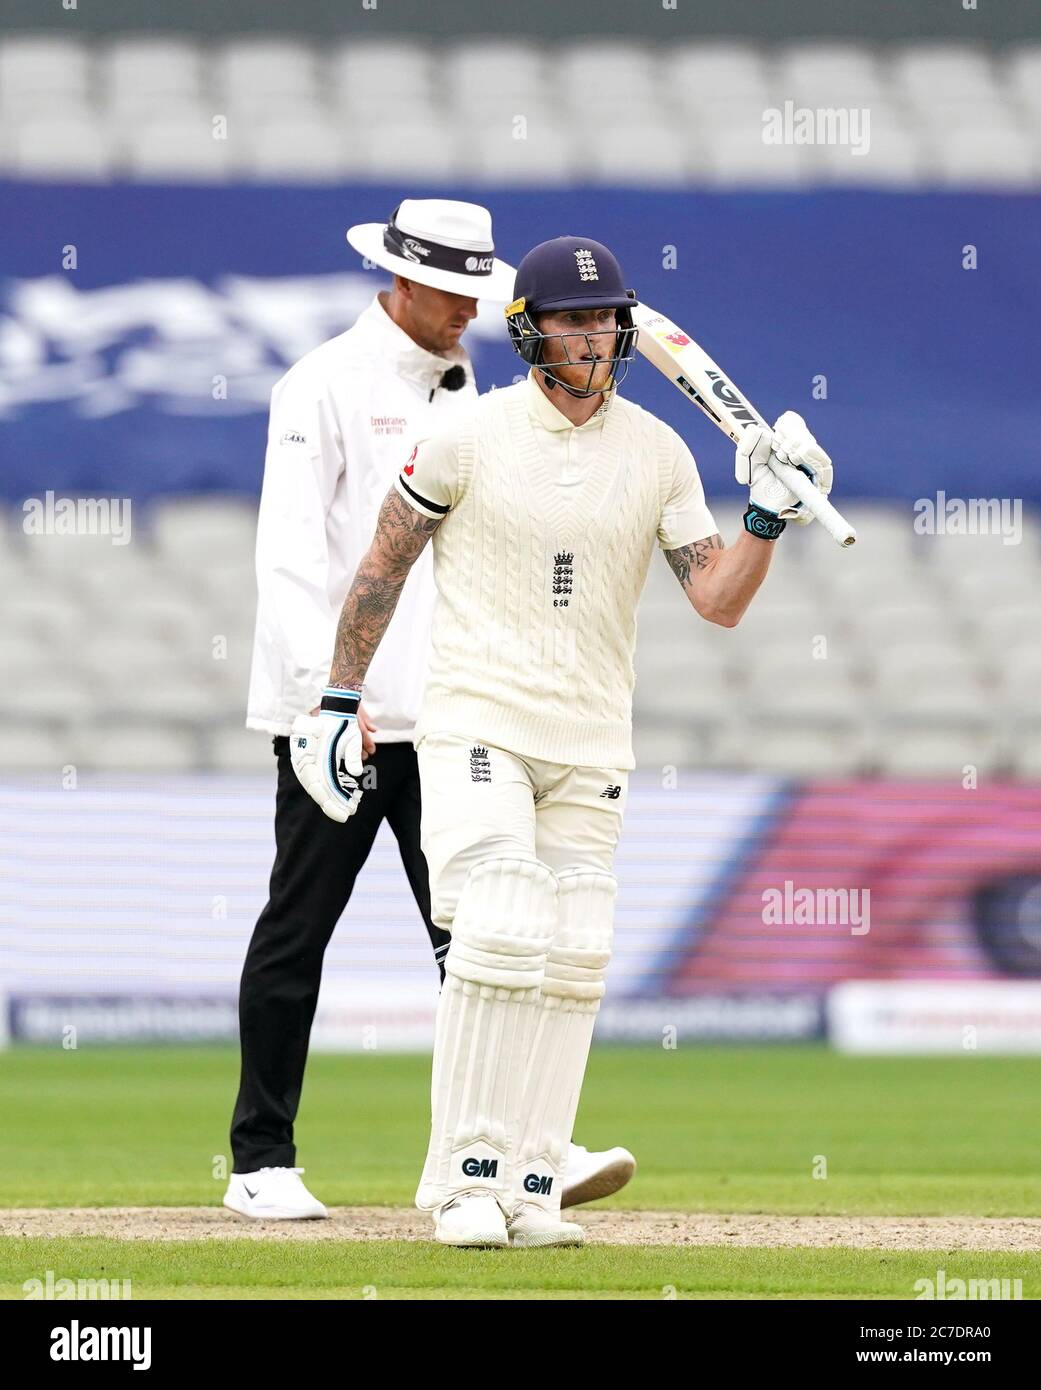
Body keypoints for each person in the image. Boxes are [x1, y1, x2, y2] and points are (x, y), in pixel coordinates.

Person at [290, 234, 834, 1246]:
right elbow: (382, 564)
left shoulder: (660, 452)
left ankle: (533, 1182)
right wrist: (335, 699)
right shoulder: (465, 432)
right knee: (497, 928)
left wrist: (766, 514)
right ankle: (464, 1179)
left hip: (593, 737)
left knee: (574, 952)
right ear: (531, 331)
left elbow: (715, 599)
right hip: (478, 718)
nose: (596, 334)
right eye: (575, 319)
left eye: (608, 317)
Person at [226, 204, 634, 1222]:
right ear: (398, 282)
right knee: (298, 928)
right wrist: (325, 699)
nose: (467, 310)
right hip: (343, 716)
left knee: (485, 940)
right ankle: (259, 1160)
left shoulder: (483, 396)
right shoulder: (318, 385)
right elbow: (287, 557)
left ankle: (519, 1150)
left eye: (474, 291)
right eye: (450, 291)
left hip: (454, 715)